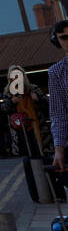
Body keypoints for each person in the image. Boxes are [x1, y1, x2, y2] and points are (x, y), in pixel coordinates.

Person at [49, 20, 68, 173]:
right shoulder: (56, 72)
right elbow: (58, 114)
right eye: (64, 38)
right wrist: (59, 150)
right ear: (57, 41)